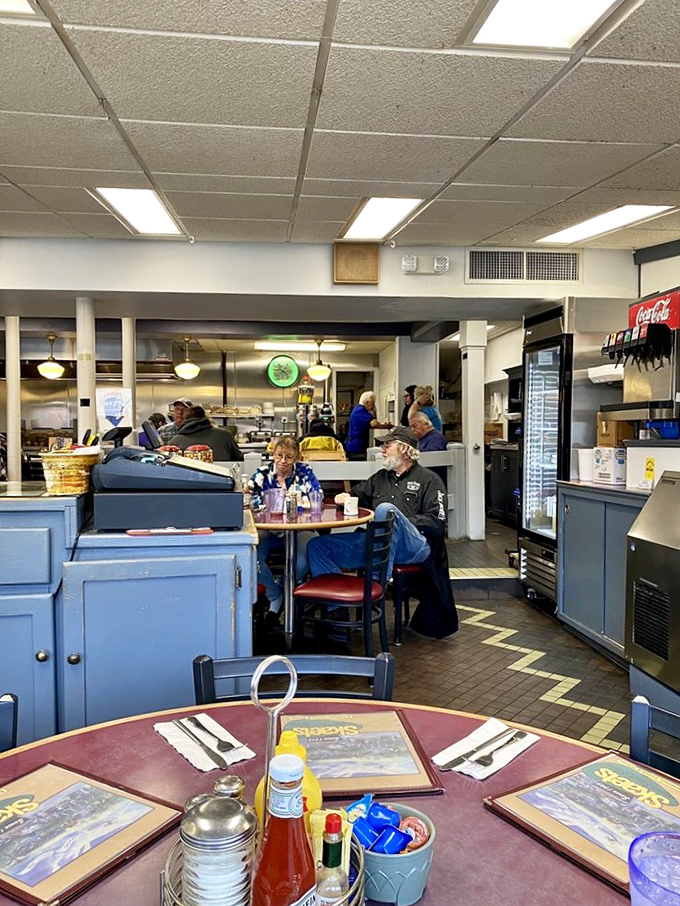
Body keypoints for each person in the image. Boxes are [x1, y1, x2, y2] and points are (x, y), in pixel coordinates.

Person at [307, 426, 458, 639]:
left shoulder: (430, 480)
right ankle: (337, 616)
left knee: (386, 510)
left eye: (388, 445)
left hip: (414, 546)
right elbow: (356, 495)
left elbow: (437, 522)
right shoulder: (380, 478)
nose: (382, 450)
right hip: (378, 543)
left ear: (405, 449)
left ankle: (377, 582)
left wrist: (400, 521)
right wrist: (344, 497)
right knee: (318, 546)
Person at [247, 436, 321, 626]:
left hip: (300, 527)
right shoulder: (262, 474)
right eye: (279, 455)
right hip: (269, 529)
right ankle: (275, 595)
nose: (282, 461)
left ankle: (283, 588)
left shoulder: (304, 472)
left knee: (305, 558)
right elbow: (250, 499)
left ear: (296, 457)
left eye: (288, 457)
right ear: (273, 454)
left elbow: (316, 496)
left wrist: (298, 501)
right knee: (251, 555)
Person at [169, 405, 244, 461]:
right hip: (222, 479)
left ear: (185, 419)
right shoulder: (225, 435)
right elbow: (239, 459)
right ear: (205, 417)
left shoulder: (175, 441)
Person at [345, 391, 392, 460]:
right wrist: (375, 411)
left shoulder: (357, 410)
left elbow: (371, 425)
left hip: (354, 445)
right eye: (373, 403)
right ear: (367, 402)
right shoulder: (360, 411)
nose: (373, 406)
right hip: (356, 447)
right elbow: (374, 423)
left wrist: (385, 426)